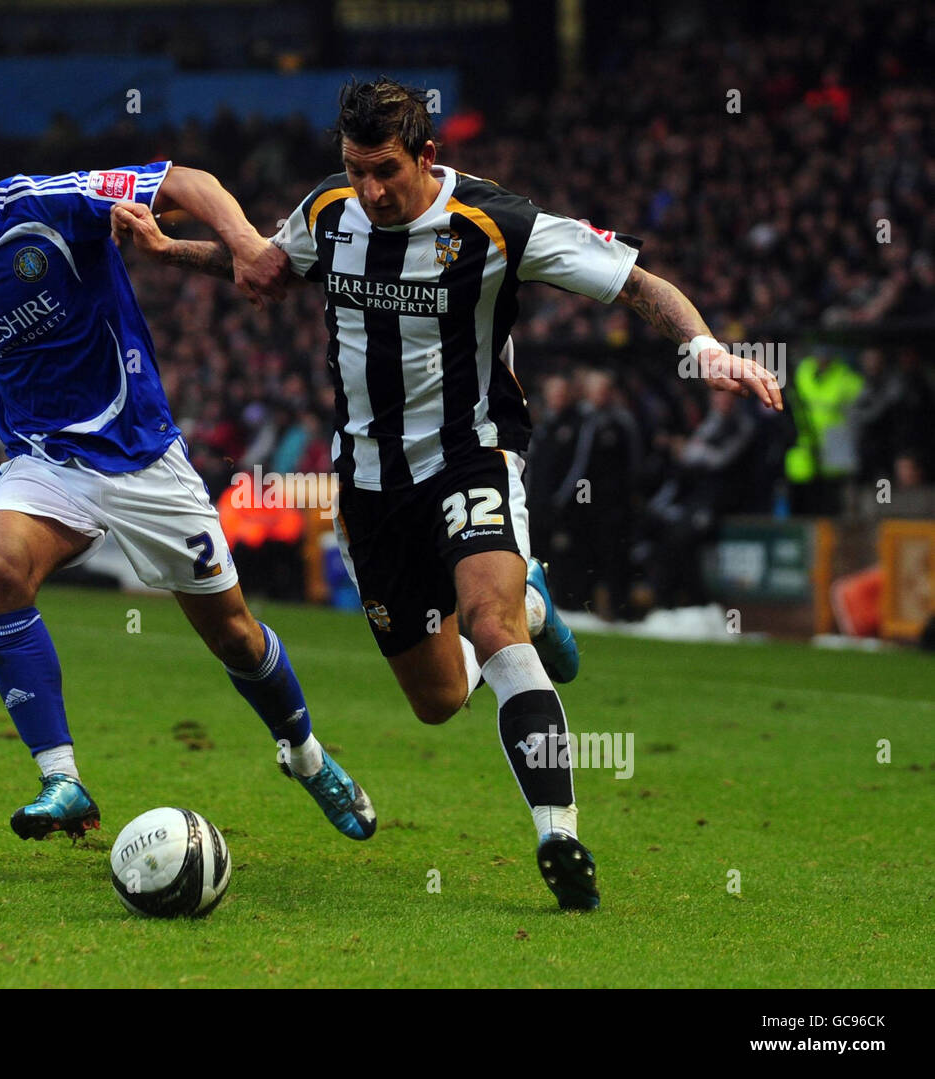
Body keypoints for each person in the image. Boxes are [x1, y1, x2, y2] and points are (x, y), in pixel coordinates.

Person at [113, 79, 782, 911]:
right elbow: (265, 269)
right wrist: (167, 249)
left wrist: (707, 348)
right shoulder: (329, 212)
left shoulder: (499, 223)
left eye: (385, 170)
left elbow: (635, 281)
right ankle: (533, 604)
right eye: (355, 169)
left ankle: (558, 831)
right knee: (437, 701)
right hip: (366, 482)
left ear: (427, 155)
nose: (369, 190)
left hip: (472, 456)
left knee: (489, 623)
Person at [0, 112, 375, 846]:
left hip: (144, 454)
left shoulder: (54, 204)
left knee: (237, 638)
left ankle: (307, 757)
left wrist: (245, 243)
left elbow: (184, 181)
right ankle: (62, 777)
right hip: (44, 461)